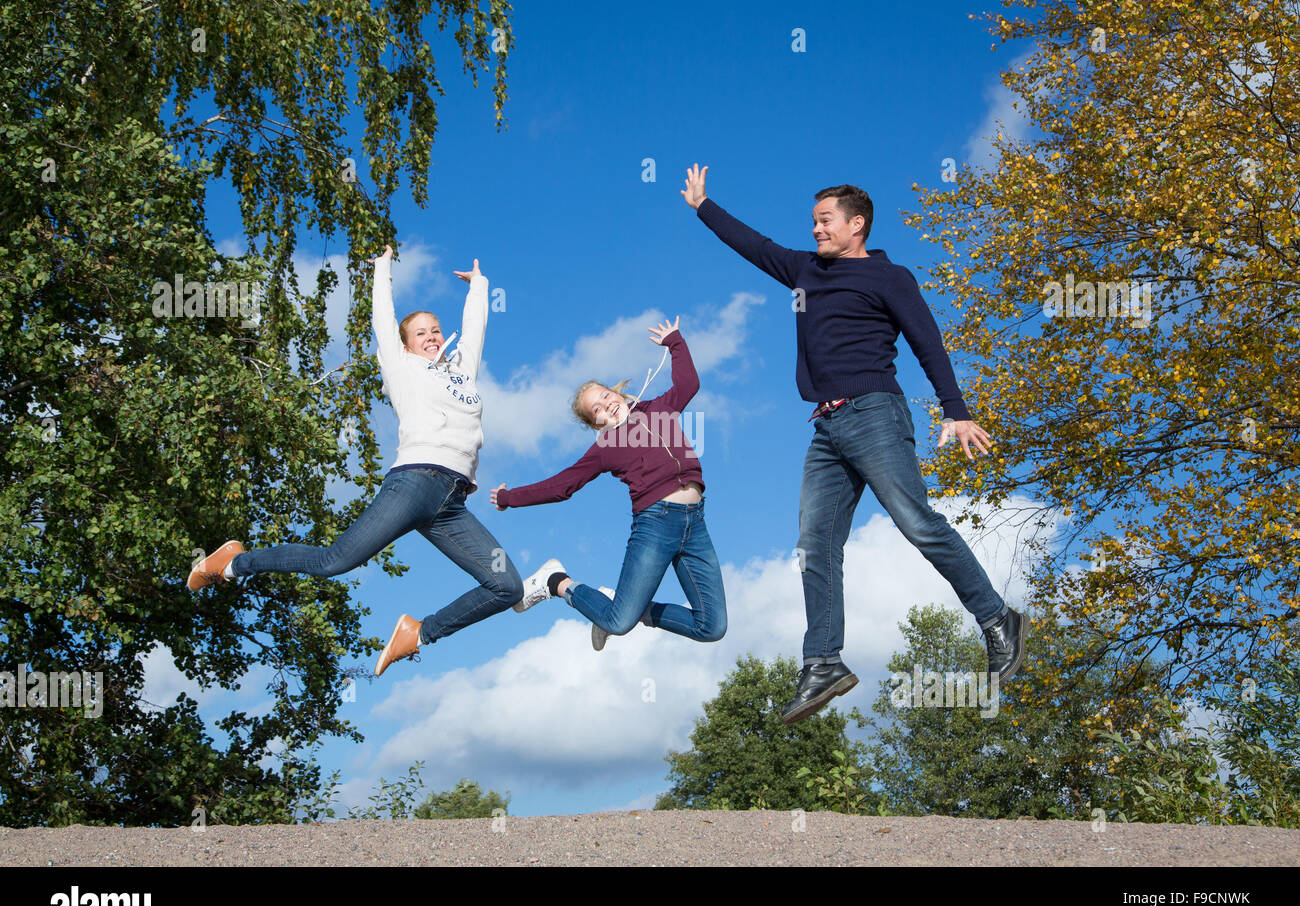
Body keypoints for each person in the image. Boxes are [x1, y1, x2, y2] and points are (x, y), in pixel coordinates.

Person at [680, 163, 1025, 725]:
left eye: (825, 221)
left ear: (856, 224)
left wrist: (955, 411)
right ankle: (822, 662)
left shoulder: (890, 279)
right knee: (814, 543)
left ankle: (997, 619)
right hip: (826, 428)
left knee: (916, 522)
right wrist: (704, 207)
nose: (815, 230)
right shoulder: (803, 271)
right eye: (813, 222)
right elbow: (753, 244)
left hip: (874, 415)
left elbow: (927, 343)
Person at [187, 244, 523, 677]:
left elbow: (473, 333)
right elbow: (383, 319)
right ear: (405, 345)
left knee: (505, 585)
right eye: (421, 332)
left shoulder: (461, 372)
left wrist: (479, 288)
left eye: (435, 329)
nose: (432, 336)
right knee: (334, 562)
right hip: (414, 482)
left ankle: (416, 634)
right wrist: (382, 270)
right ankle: (232, 563)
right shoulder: (403, 369)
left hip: (451, 502)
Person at [490, 317, 726, 651]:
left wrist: (675, 342)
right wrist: (508, 497)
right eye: (596, 410)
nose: (606, 405)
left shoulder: (658, 408)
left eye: (605, 396)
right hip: (655, 526)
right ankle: (556, 581)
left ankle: (634, 607)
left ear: (618, 392)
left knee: (712, 626)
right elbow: (563, 485)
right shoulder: (607, 446)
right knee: (617, 622)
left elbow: (688, 385)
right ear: (596, 424)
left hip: (695, 524)